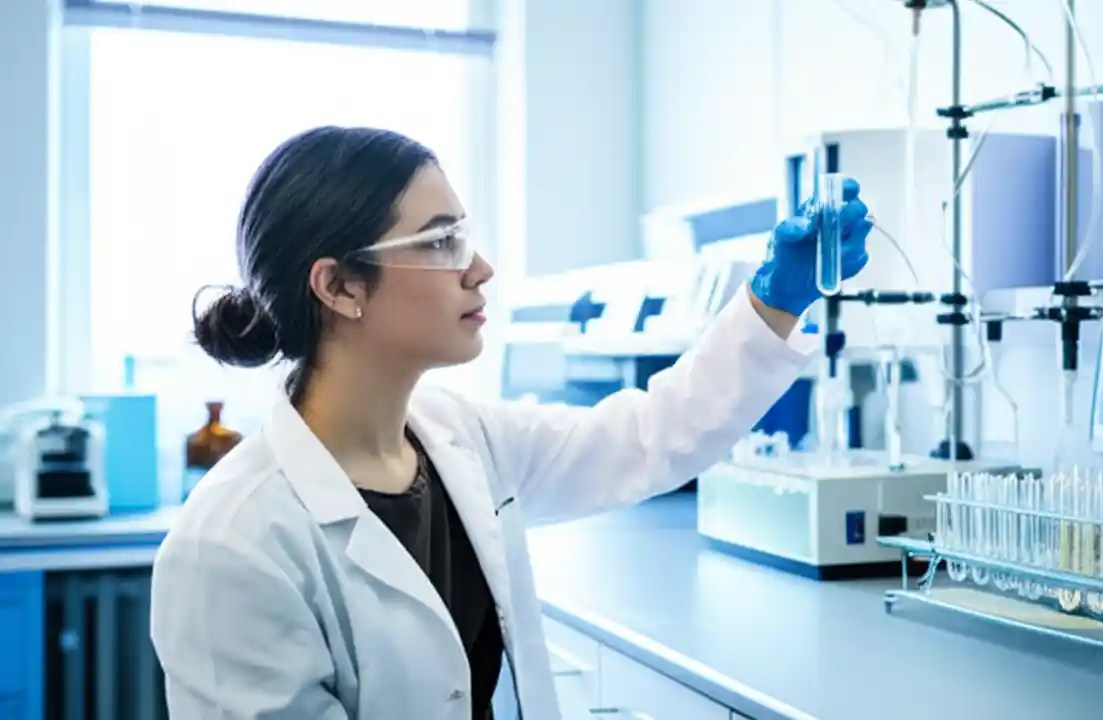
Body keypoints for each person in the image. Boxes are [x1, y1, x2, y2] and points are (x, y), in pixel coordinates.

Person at [149, 125, 872, 719]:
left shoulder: (457, 437)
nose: (481, 268)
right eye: (440, 243)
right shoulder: (233, 544)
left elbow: (649, 438)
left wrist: (776, 300)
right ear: (338, 285)